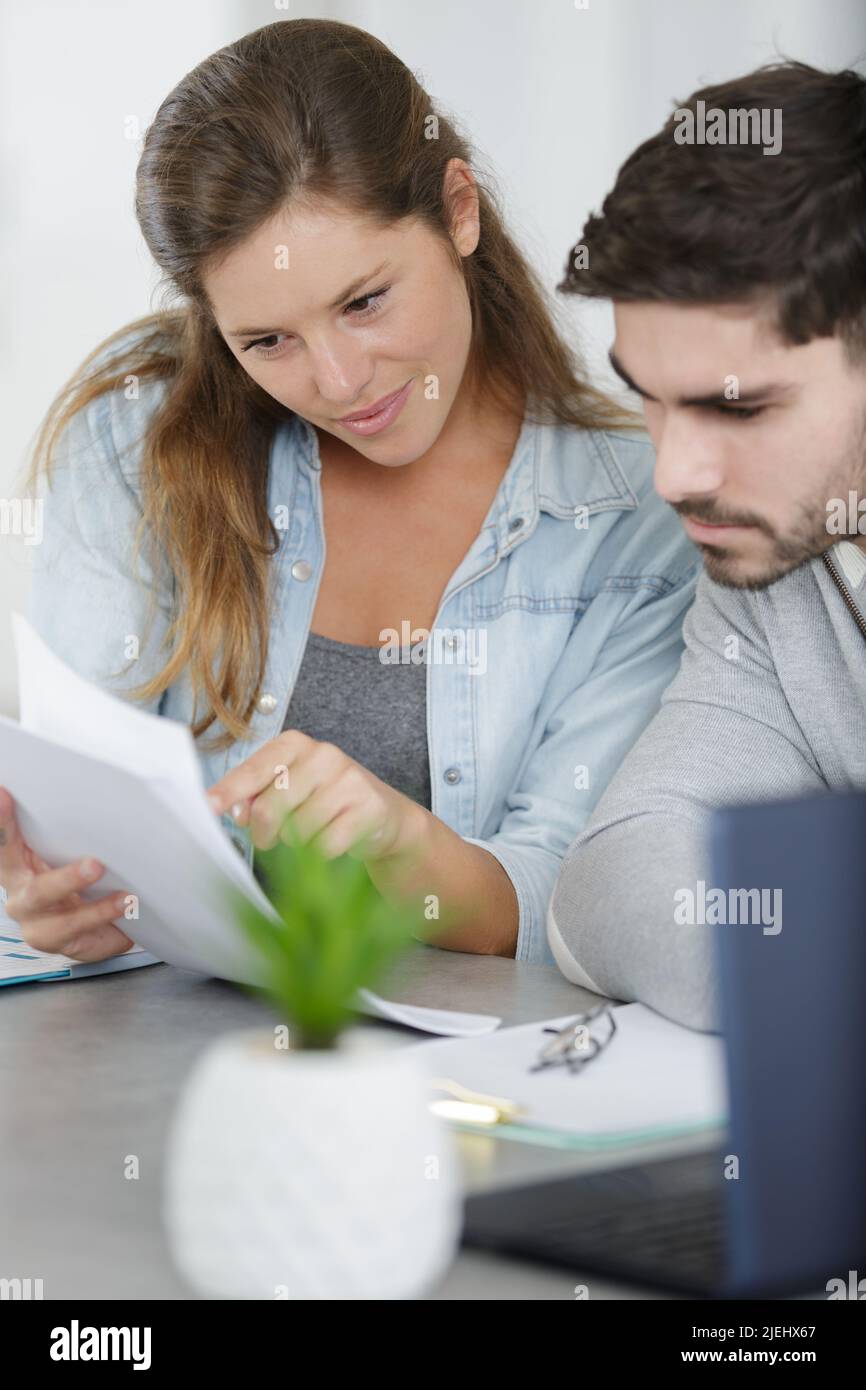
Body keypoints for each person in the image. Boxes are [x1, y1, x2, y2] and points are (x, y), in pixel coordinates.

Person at [0, 18, 697, 969]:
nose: (338, 381)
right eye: (267, 342)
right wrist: (46, 900)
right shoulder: (135, 436)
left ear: (458, 209)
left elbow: (568, 904)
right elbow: (80, 826)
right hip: (151, 1058)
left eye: (365, 301)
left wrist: (401, 843)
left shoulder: (633, 515)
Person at [548, 60, 866, 1031]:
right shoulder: (773, 572)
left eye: (736, 407)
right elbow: (608, 884)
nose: (673, 476)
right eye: (646, 395)